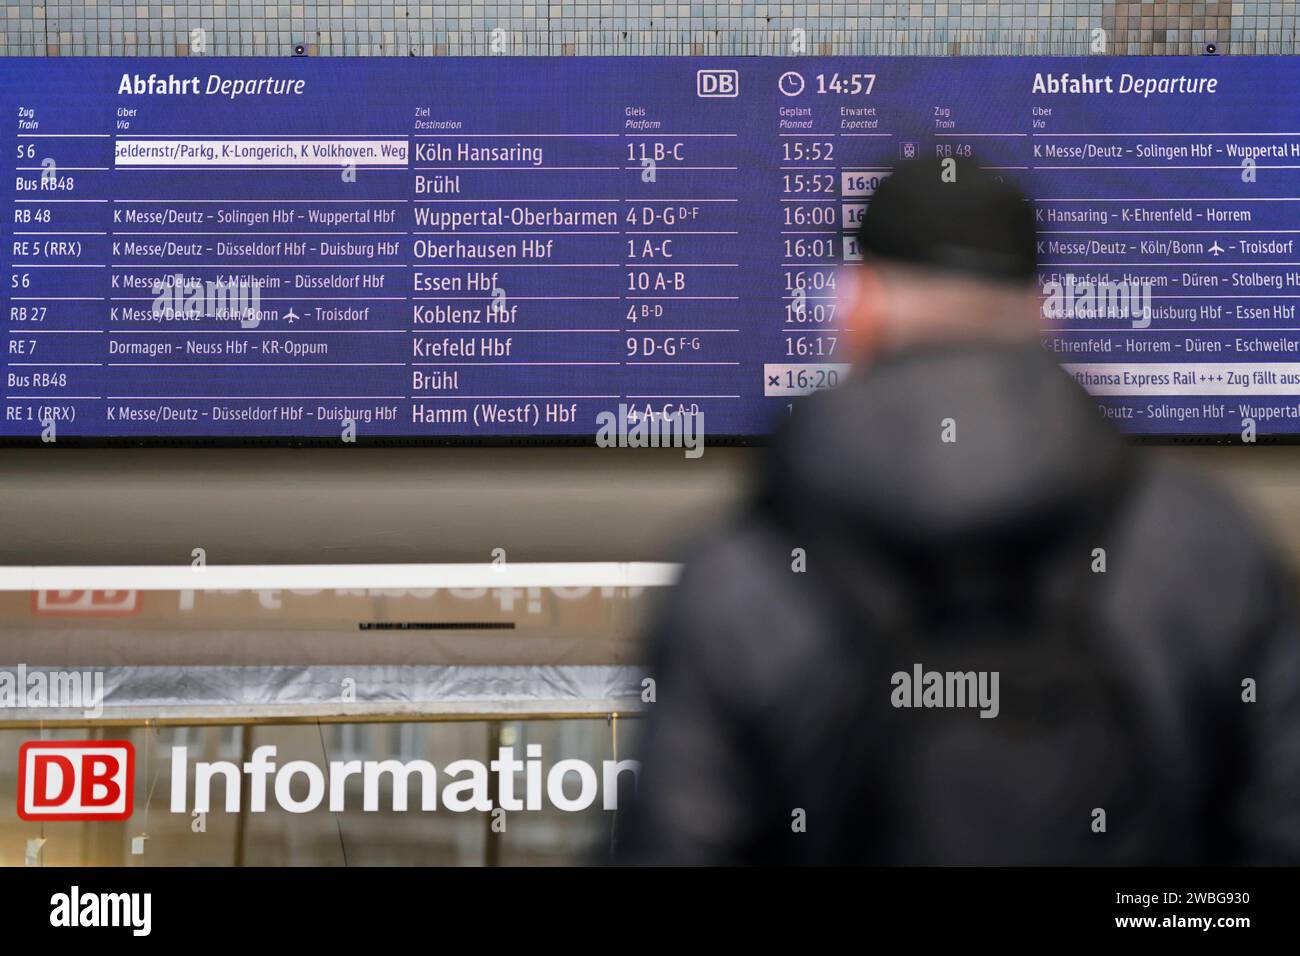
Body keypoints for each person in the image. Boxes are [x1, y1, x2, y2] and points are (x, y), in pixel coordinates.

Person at [616, 157, 1300, 865]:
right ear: (1044, 310)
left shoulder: (739, 575)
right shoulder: (1210, 546)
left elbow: (676, 844)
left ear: (859, 307)